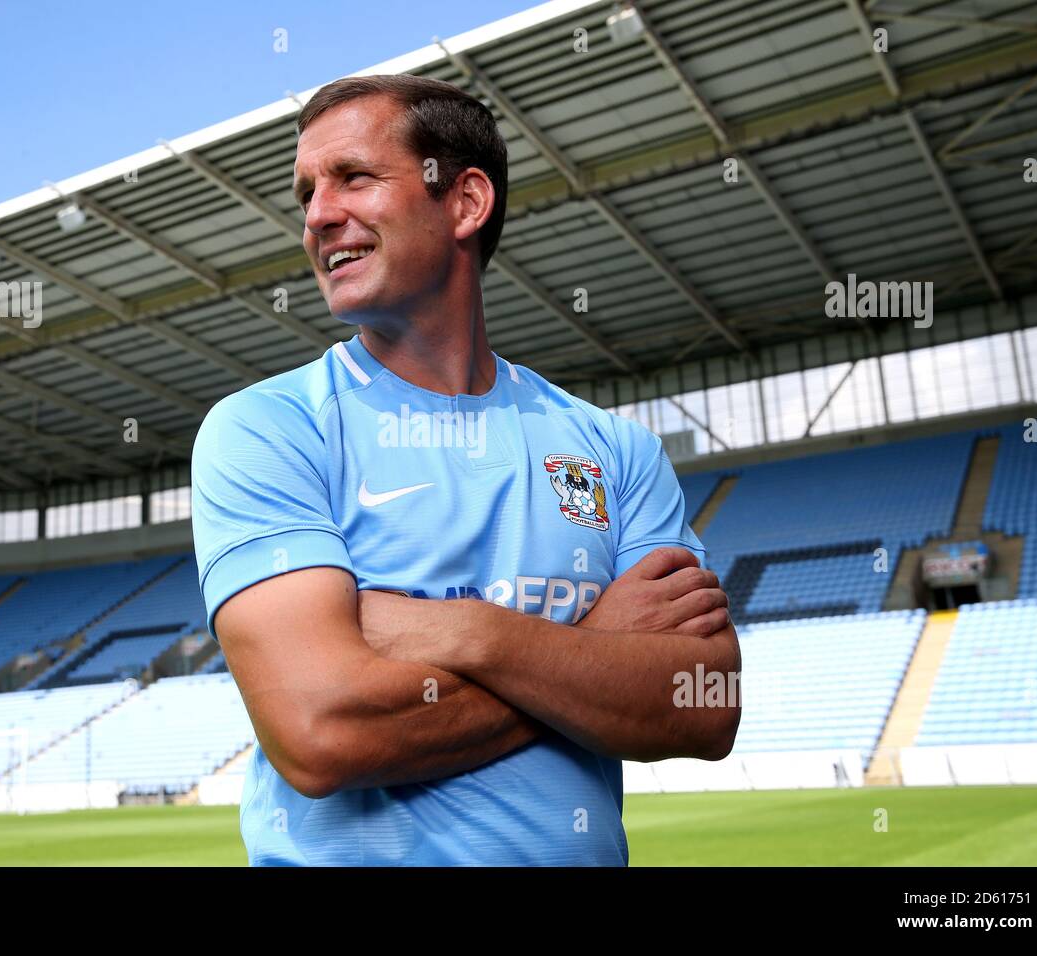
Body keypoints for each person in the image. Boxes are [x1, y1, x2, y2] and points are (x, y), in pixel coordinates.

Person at [191, 74, 740, 865]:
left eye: (353, 177)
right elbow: (322, 733)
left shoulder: (615, 448)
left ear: (466, 202)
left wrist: (473, 634)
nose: (317, 215)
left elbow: (705, 704)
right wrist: (592, 650)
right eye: (307, 193)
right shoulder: (268, 429)